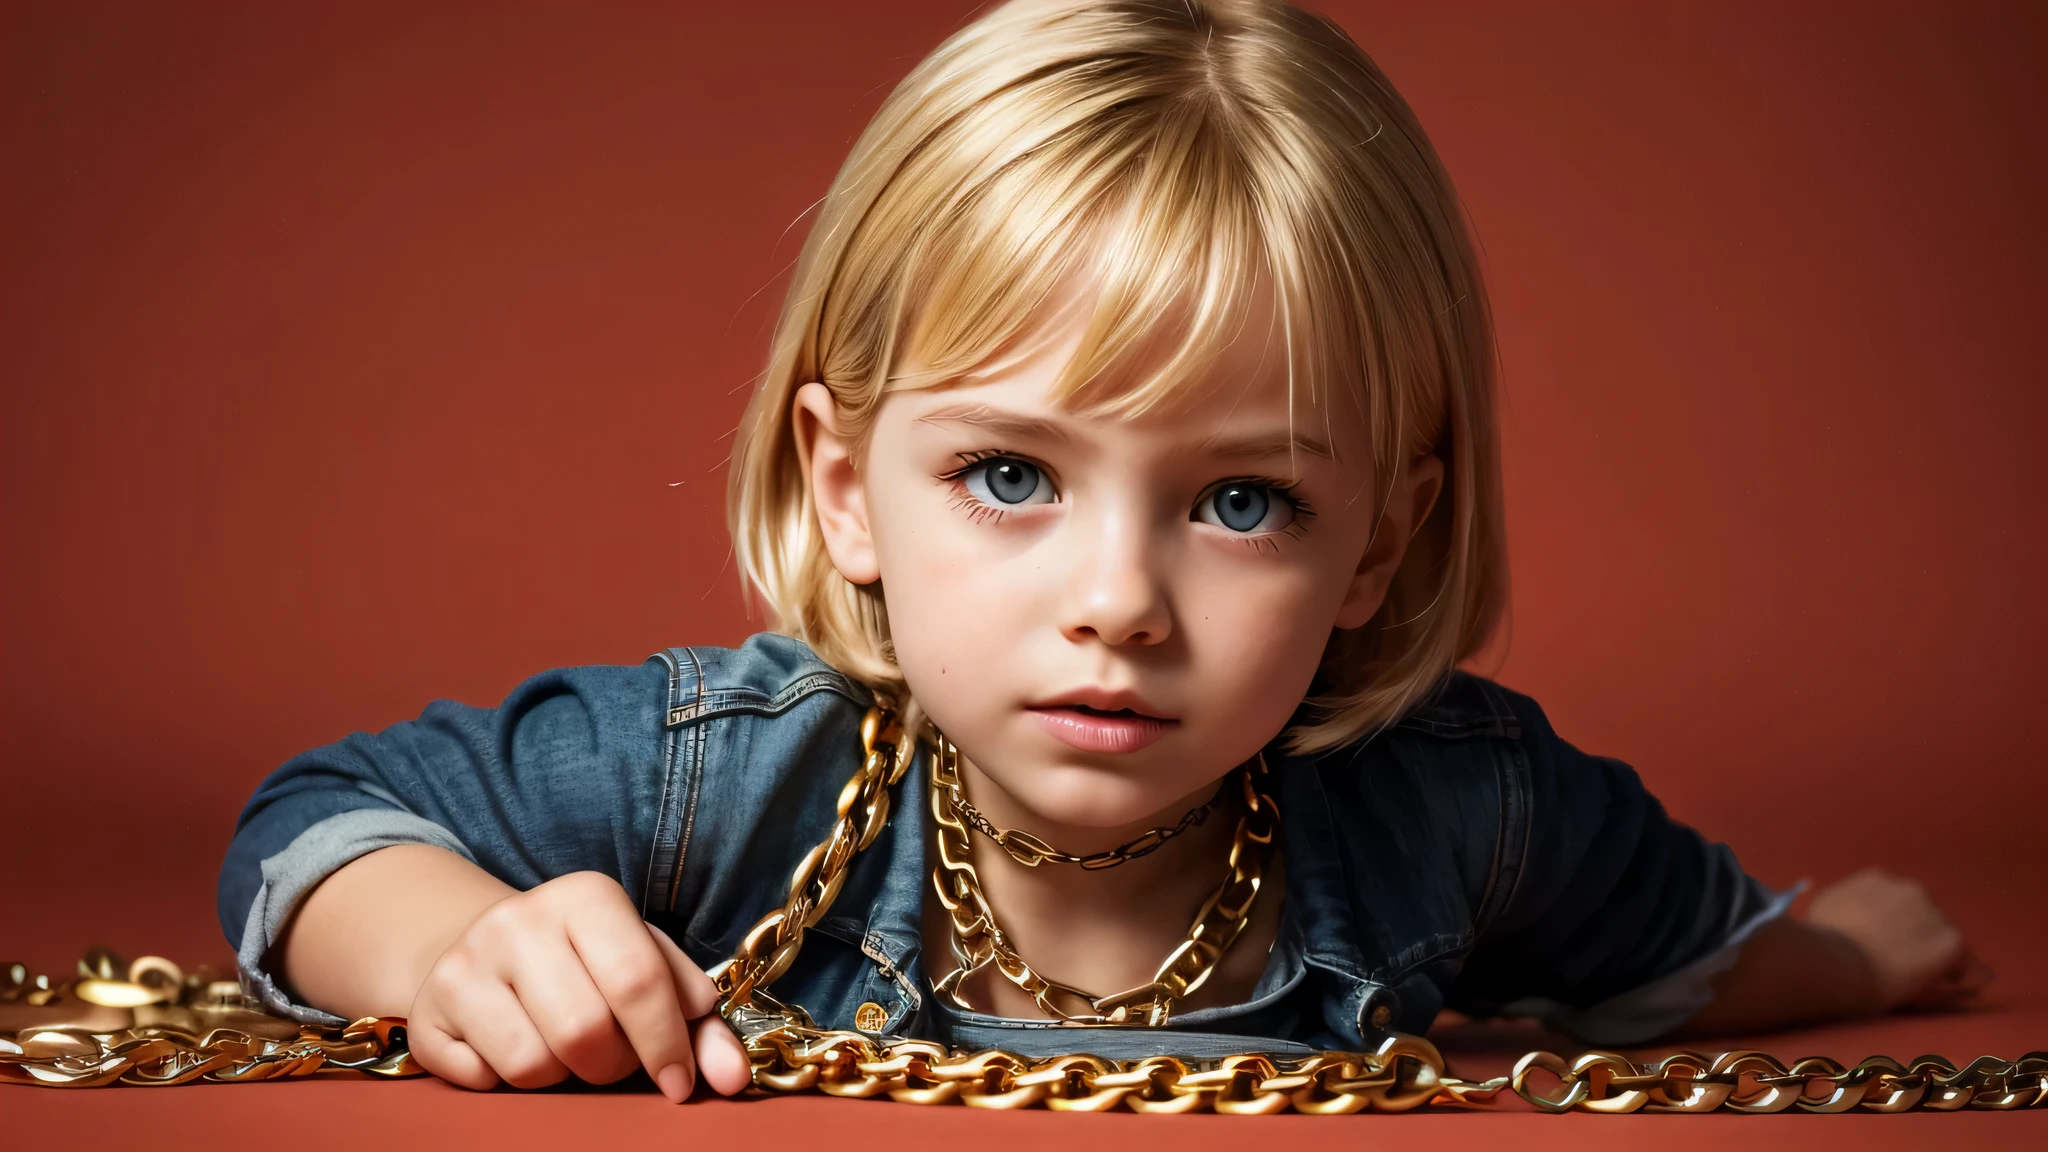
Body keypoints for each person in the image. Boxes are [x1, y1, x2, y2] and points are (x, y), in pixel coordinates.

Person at [216, 0, 1987, 1104]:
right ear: (846, 489)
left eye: (1245, 502)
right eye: (1007, 474)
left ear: (1381, 543)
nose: (1119, 603)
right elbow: (314, 825)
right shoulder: (732, 776)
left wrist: (1850, 965)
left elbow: (1680, 948)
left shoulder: (1463, 806)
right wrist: (460, 943)